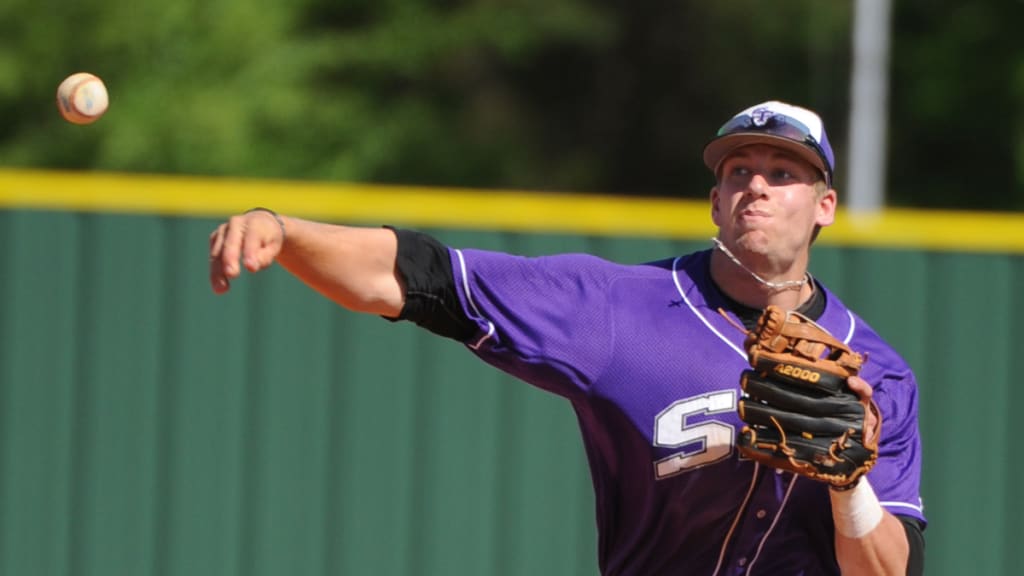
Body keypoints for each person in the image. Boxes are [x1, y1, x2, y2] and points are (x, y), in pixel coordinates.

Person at [208, 100, 925, 575]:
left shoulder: (876, 374)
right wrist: (288, 231)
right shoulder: (618, 306)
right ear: (715, 199)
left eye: (782, 172)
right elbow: (423, 279)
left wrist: (848, 489)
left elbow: (895, 569)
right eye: (738, 171)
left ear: (824, 205)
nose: (756, 187)